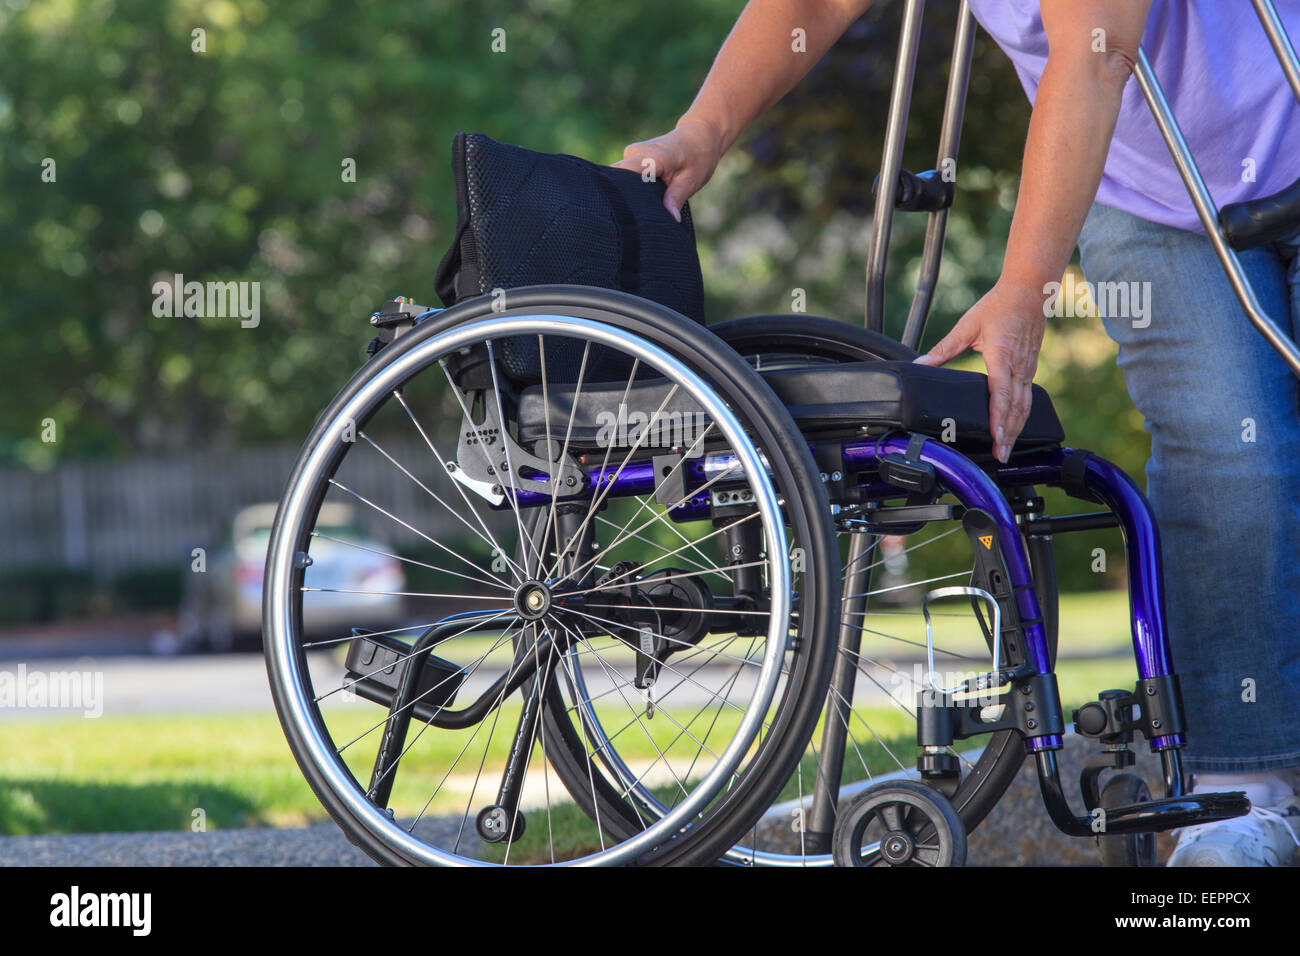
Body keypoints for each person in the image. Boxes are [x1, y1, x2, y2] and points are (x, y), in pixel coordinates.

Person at [615, 0, 1300, 865]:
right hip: (1151, 186)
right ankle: (1248, 793)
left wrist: (1023, 287)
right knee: (1226, 452)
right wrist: (703, 131)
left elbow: (1098, 49)